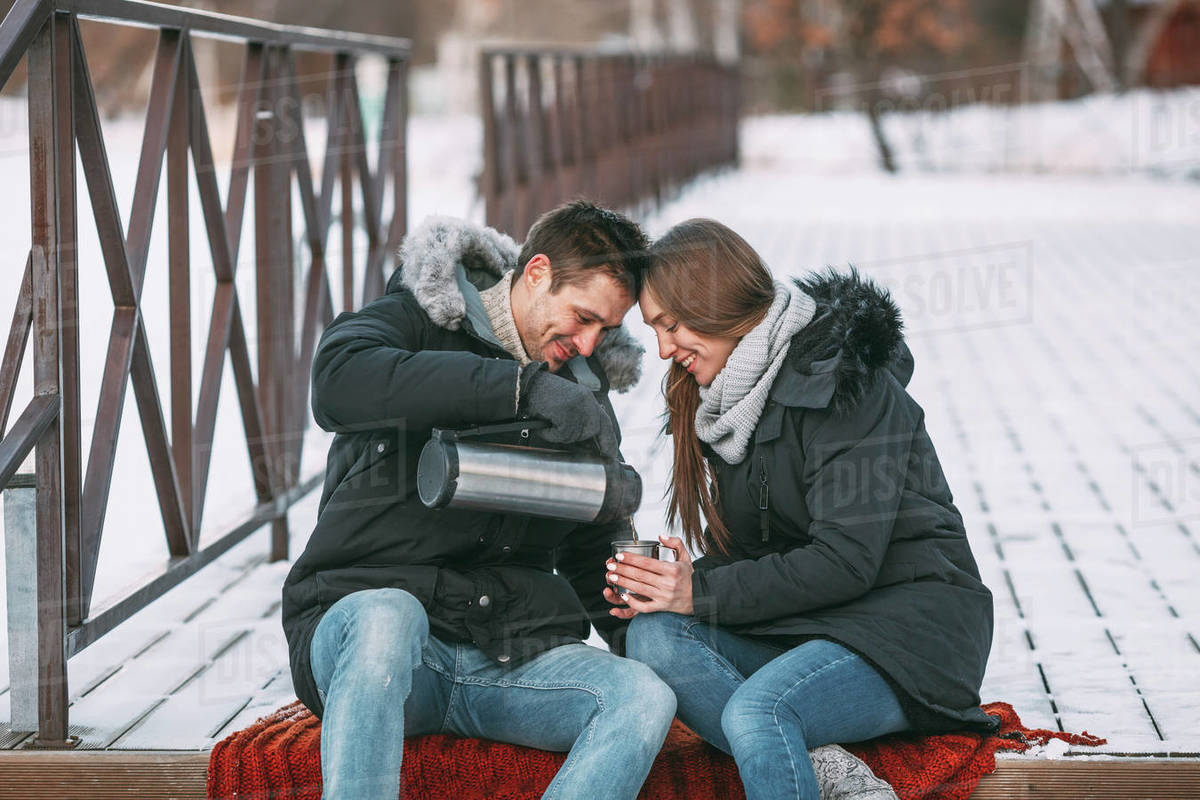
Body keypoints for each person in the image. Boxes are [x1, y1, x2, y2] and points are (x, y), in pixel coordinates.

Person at [282, 201, 677, 800]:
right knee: (389, 615)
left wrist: (648, 631)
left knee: (643, 696)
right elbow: (336, 380)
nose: (590, 342)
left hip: (505, 654)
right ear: (537, 272)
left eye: (606, 329)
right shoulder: (419, 318)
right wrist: (519, 389)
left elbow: (590, 540)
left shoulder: (582, 389)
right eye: (583, 317)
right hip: (369, 643)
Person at [605, 219, 997, 800]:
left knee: (758, 714)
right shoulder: (727, 401)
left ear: (716, 302)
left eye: (672, 324)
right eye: (655, 330)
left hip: (909, 627)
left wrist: (701, 593)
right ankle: (825, 769)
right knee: (655, 636)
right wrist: (682, 580)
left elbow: (845, 560)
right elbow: (767, 555)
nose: (664, 349)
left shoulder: (845, 386)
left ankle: (800, 758)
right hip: (812, 624)